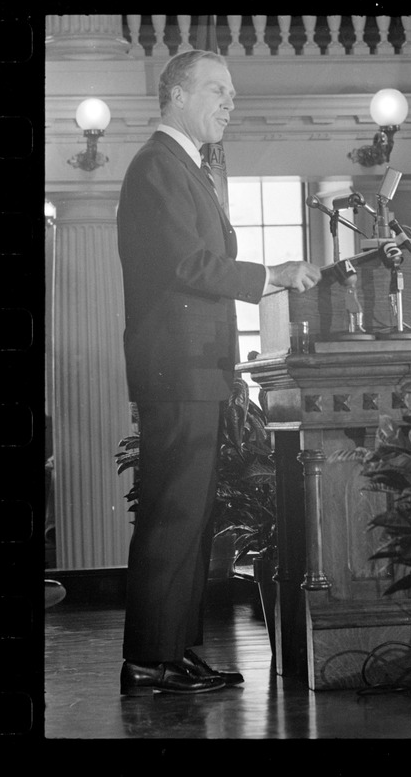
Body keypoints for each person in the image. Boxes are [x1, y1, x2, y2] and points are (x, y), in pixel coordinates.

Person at [116, 49, 321, 696]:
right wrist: (273, 277)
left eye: (232, 92)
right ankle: (149, 660)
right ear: (175, 95)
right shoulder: (158, 166)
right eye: (216, 90)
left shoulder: (185, 169)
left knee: (191, 519)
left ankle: (171, 652)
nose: (230, 101)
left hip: (195, 372)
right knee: (174, 518)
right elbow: (187, 266)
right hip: (177, 373)